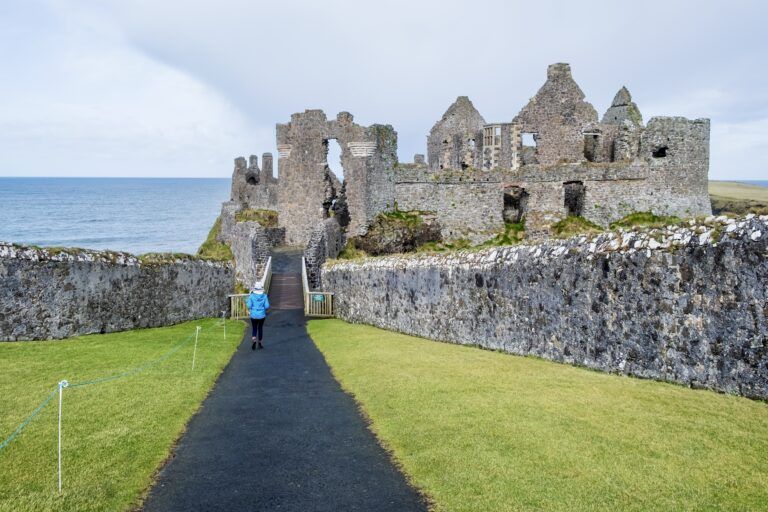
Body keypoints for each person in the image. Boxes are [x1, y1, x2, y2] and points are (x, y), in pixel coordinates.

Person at [246, 282, 270, 350]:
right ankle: (259, 343)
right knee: (260, 328)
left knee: (254, 328)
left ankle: (254, 339)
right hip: (262, 315)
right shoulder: (264, 296)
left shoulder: (251, 296)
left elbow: (249, 305)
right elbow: (267, 306)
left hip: (253, 314)